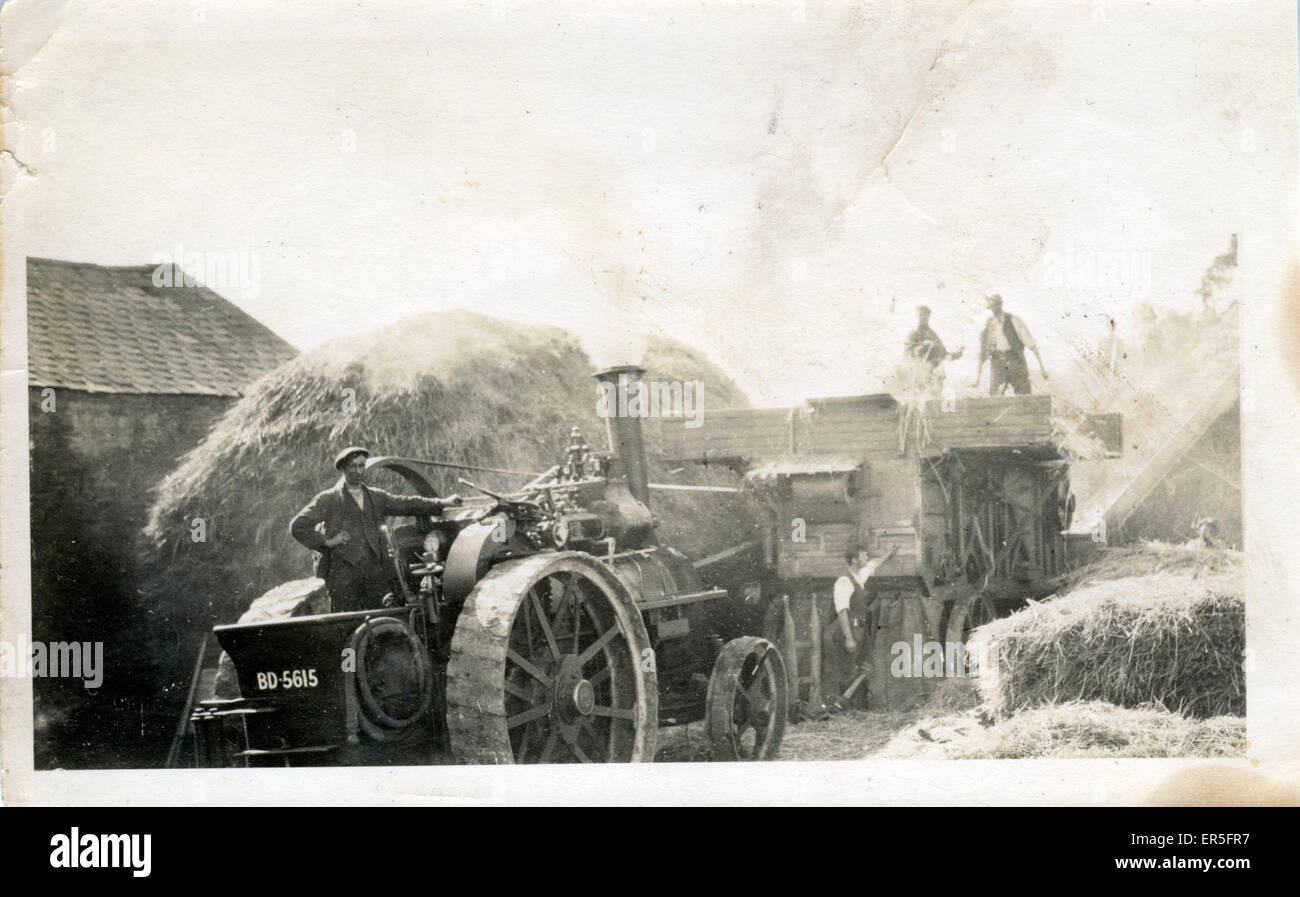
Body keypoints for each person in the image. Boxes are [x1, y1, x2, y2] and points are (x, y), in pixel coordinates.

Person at [290, 446, 461, 612]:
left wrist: (442, 502)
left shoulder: (376, 497)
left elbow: (407, 503)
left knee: (381, 617)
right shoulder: (328, 499)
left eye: (361, 466)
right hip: (342, 575)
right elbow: (298, 526)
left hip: (374, 572)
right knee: (345, 621)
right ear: (342, 468)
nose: (358, 471)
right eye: (353, 467)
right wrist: (327, 542)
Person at [823, 544, 897, 710]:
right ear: (854, 559)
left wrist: (889, 552)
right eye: (863, 555)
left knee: (865, 667)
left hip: (859, 629)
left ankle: (842, 704)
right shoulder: (843, 581)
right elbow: (842, 610)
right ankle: (838, 707)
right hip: (846, 630)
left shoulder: (858, 576)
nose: (867, 558)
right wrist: (849, 638)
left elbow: (873, 565)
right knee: (847, 671)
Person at [973, 294, 1048, 396]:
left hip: (1015, 360)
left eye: (997, 306)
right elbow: (983, 353)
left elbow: (1031, 344)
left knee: (1023, 394)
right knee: (995, 396)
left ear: (1001, 305)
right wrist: (978, 377)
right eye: (992, 308)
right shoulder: (989, 325)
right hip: (997, 362)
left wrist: (1042, 367)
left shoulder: (1013, 320)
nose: (995, 310)